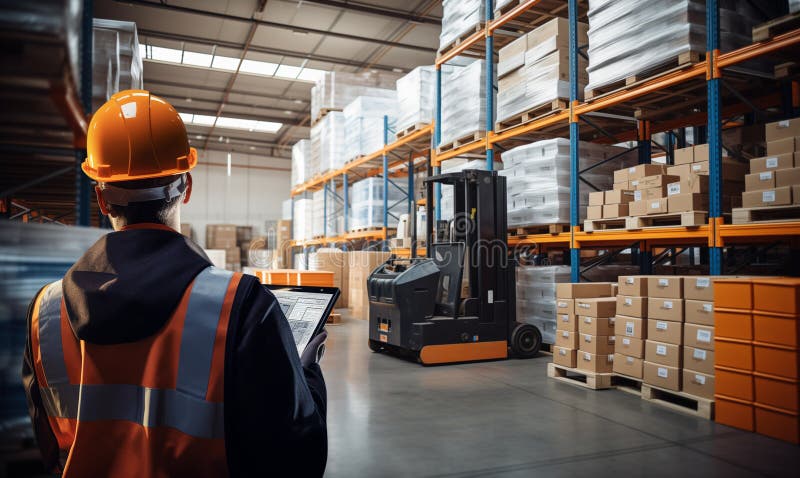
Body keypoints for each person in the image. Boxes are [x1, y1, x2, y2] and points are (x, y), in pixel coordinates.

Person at [21, 90, 328, 477]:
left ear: (101, 198)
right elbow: (296, 457)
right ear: (187, 186)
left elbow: (48, 448)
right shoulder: (242, 306)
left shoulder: (44, 314)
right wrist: (307, 377)